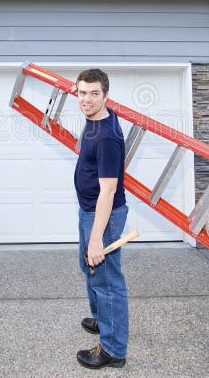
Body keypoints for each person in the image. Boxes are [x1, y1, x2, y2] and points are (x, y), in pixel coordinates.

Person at [73, 68, 128, 370]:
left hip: (102, 215)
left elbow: (108, 191)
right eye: (83, 92)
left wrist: (97, 238)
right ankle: (102, 319)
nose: (88, 99)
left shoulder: (107, 136)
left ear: (106, 96)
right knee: (90, 268)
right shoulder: (95, 119)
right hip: (89, 211)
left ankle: (113, 349)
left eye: (95, 93)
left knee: (107, 280)